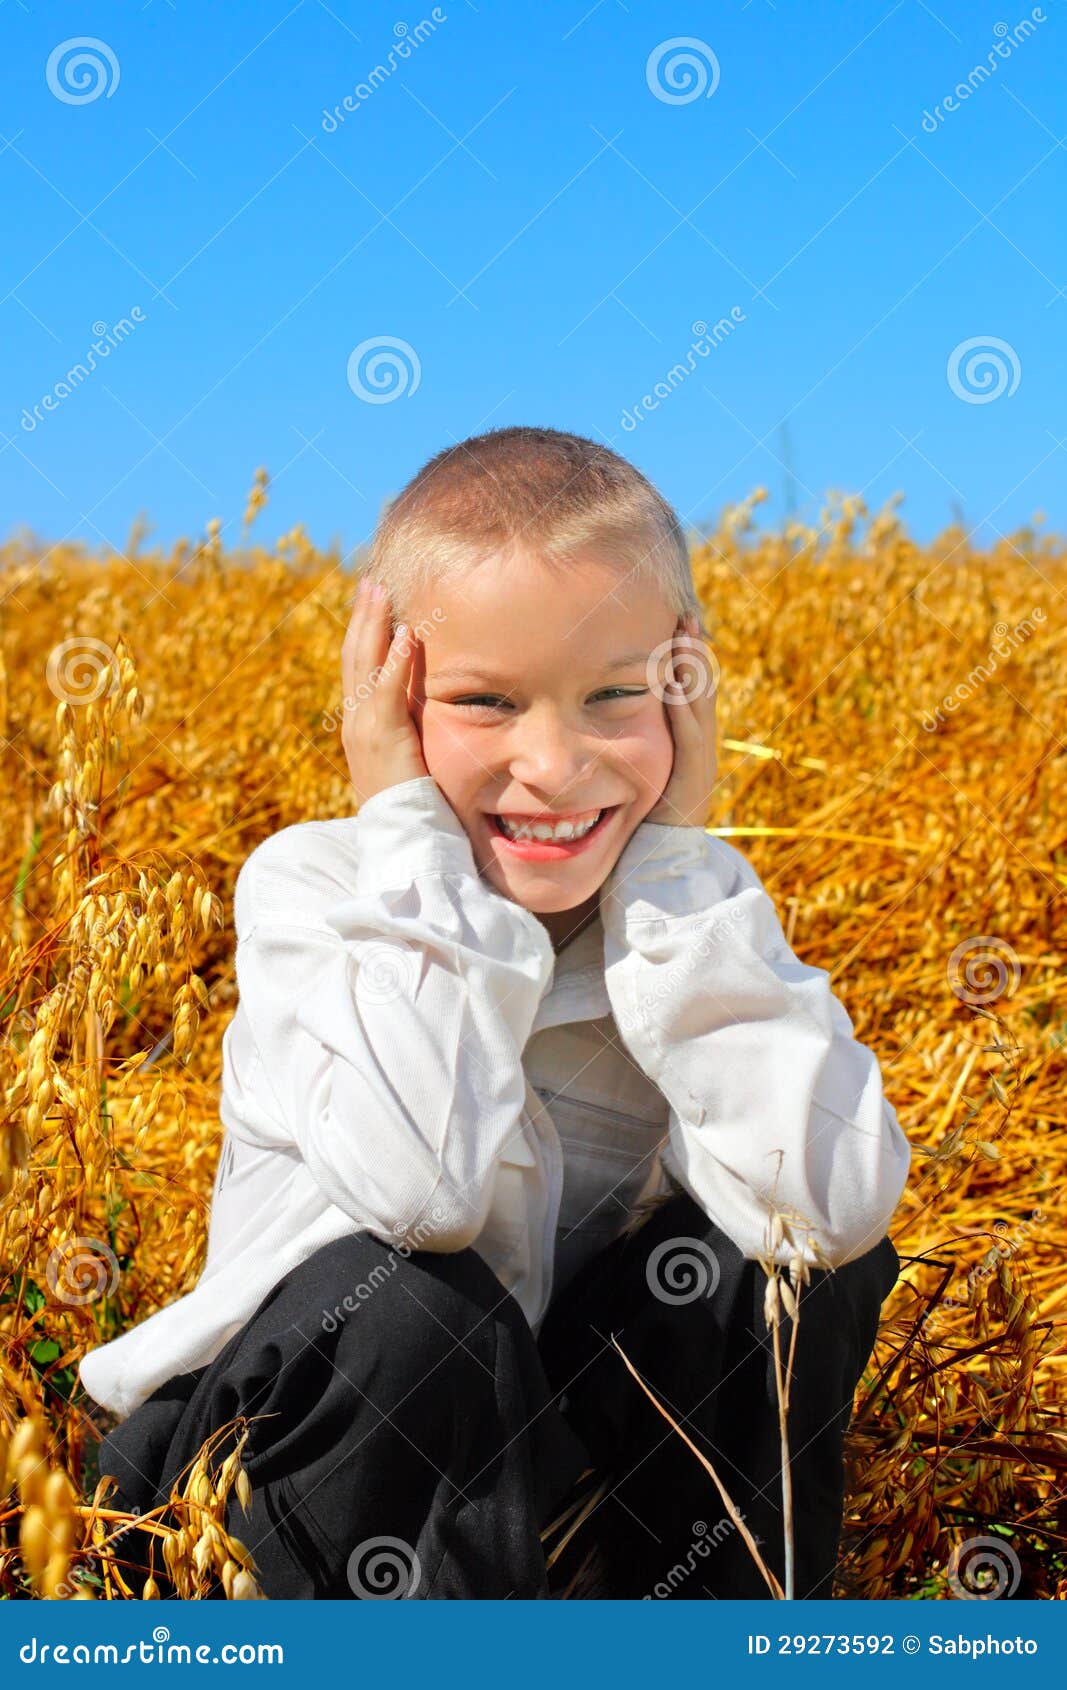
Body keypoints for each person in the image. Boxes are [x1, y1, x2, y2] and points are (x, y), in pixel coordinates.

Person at [80, 425, 910, 1600]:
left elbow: (829, 1211)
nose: (554, 763)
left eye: (612, 696)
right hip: (257, 1494)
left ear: (683, 685)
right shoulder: (319, 891)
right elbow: (424, 1195)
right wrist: (407, 835)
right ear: (389, 699)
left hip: (519, 1488)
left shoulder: (684, 911)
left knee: (757, 1265)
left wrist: (674, 865)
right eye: (484, 701)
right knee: (418, 1305)